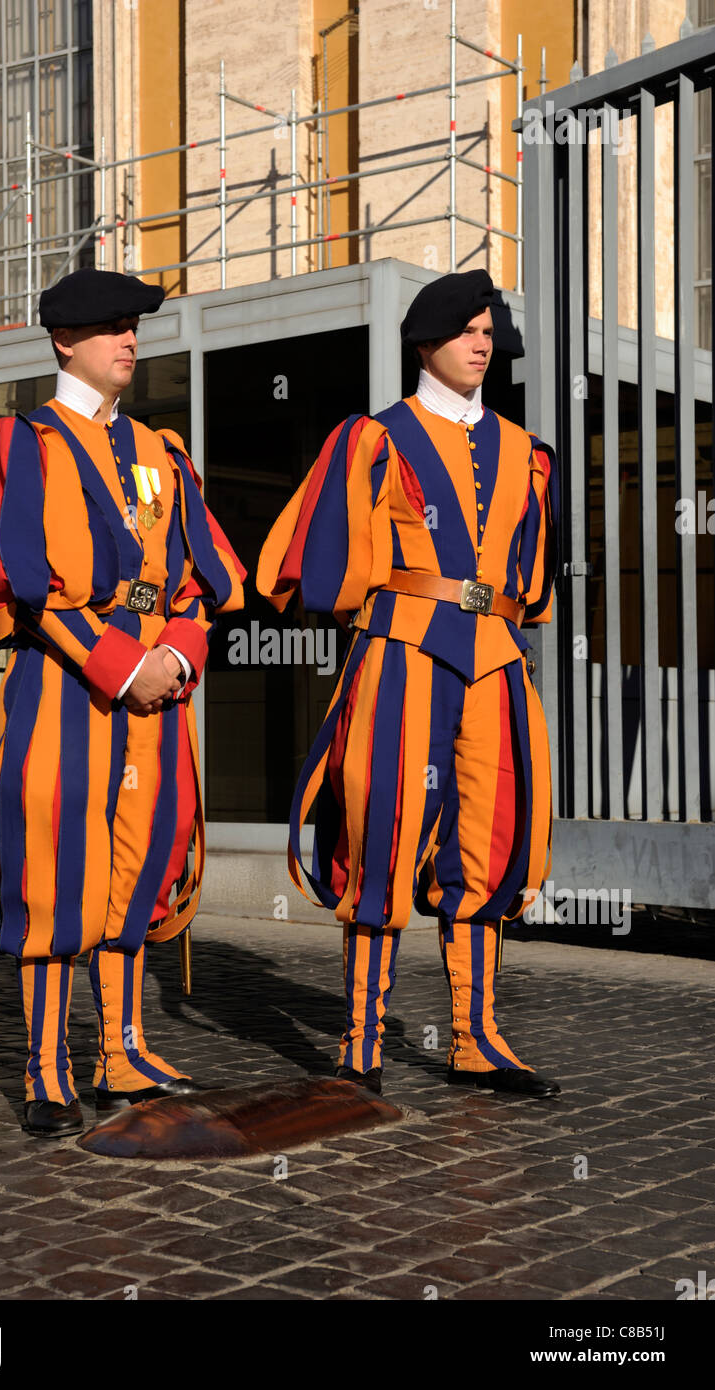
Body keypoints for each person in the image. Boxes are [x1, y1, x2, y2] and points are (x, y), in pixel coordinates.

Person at [257, 268, 560, 1097]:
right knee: (380, 827)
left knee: (492, 835)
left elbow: (531, 584)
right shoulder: (374, 438)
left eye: (487, 331)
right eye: (464, 330)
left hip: (494, 655)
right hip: (400, 650)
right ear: (424, 342)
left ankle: (474, 1037)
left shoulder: (525, 452)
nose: (479, 343)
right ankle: (360, 1040)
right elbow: (314, 568)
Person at [0, 267, 245, 1135]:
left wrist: (178, 657)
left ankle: (120, 1053)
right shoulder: (25, 442)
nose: (130, 340)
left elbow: (204, 583)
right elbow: (29, 586)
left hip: (155, 696)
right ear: (63, 341)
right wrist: (127, 666)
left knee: (137, 864)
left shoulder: (163, 450)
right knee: (55, 872)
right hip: (68, 688)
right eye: (112, 326)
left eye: (133, 327)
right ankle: (47, 1068)